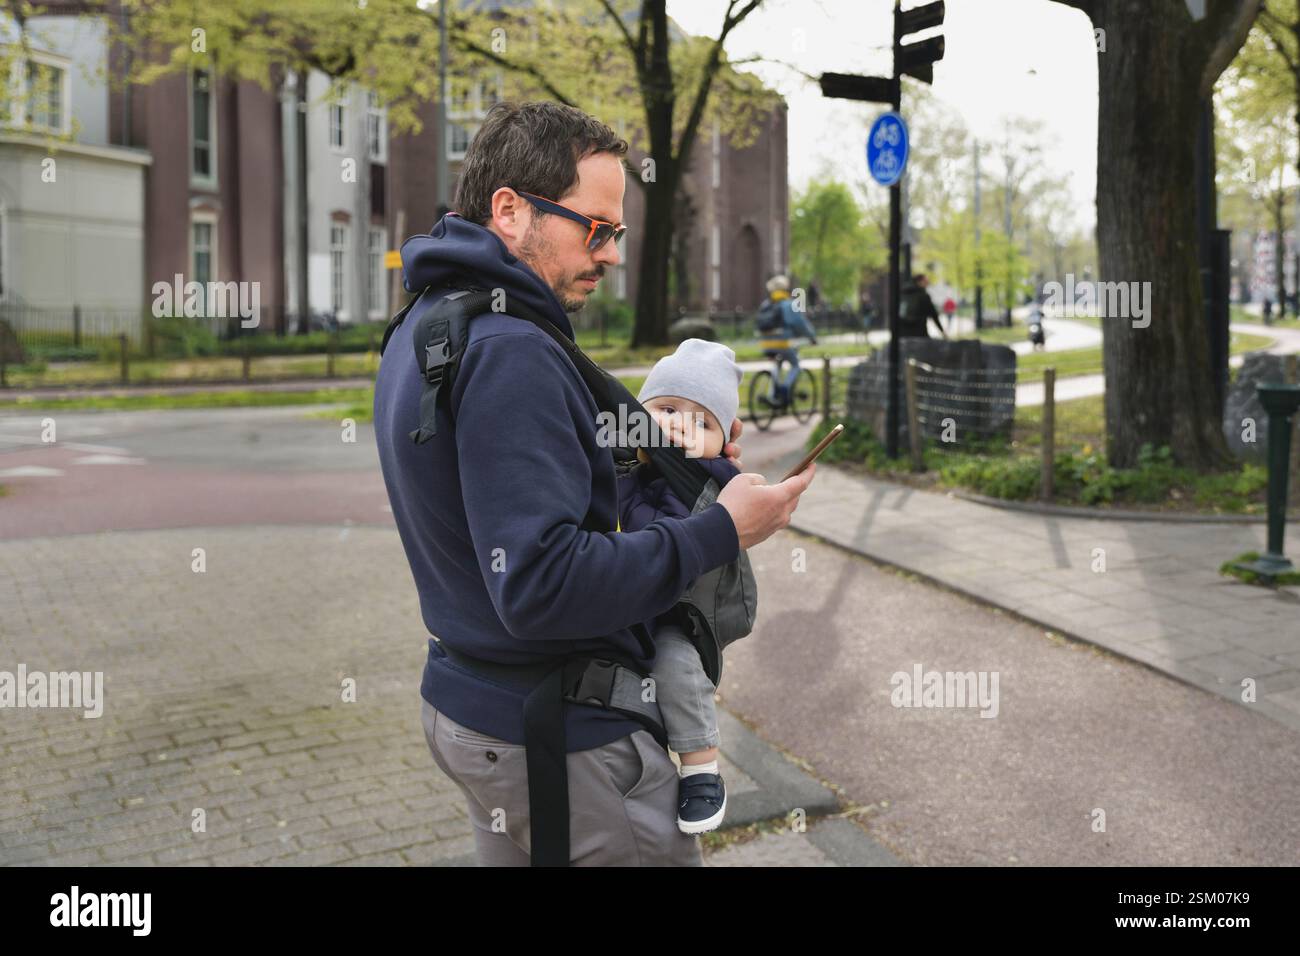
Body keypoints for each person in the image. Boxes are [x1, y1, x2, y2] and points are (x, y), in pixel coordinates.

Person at [372, 101, 815, 867]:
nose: (611, 254)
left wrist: (675, 464)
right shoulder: (513, 350)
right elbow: (540, 581)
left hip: (474, 708)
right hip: (565, 736)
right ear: (510, 210)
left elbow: (504, 489)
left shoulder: (429, 321)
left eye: (617, 233)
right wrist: (720, 530)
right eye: (596, 228)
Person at [617, 339, 745, 834]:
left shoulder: (707, 484)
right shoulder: (630, 457)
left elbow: (664, 536)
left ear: (722, 440)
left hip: (673, 612)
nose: (677, 425)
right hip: (622, 600)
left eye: (700, 422)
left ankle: (700, 769)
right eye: (667, 409)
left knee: (676, 667)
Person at [755, 275, 818, 406]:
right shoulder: (788, 304)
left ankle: (773, 395)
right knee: (795, 365)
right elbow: (800, 324)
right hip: (782, 343)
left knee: (777, 364)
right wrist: (812, 337)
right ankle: (784, 389)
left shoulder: (766, 304)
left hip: (766, 344)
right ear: (785, 288)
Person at [899, 273, 948, 339]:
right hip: (919, 332)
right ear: (919, 282)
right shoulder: (923, 296)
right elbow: (933, 314)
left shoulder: (902, 293)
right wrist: (942, 331)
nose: (927, 283)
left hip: (902, 333)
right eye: (925, 281)